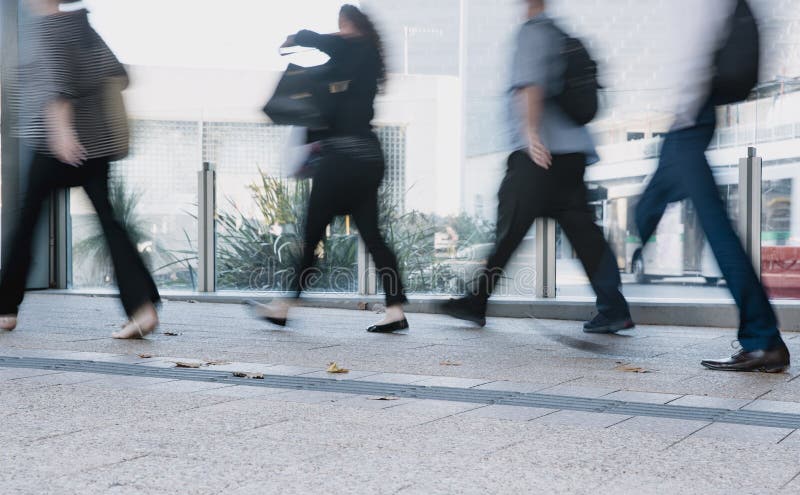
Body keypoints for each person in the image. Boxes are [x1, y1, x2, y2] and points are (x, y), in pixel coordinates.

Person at [441, 0, 633, 334]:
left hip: (539, 154)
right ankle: (614, 307)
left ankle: (476, 301)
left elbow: (530, 85)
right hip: (572, 154)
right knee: (584, 234)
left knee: (508, 229)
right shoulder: (559, 33)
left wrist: (530, 135)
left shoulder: (532, 33)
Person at [636, 0, 790, 372]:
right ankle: (608, 294)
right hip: (690, 117)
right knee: (647, 210)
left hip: (690, 117)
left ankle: (764, 339)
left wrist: (683, 110)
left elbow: (695, 47)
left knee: (715, 228)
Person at [0, 0, 160, 339]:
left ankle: (5, 309)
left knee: (26, 222)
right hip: (96, 143)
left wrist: (62, 129)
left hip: (55, 144)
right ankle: (141, 307)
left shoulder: (47, 27)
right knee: (110, 222)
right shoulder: (83, 26)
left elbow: (57, 81)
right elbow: (119, 74)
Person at [250, 4, 409, 333]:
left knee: (311, 237)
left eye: (342, 25)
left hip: (342, 161)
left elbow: (327, 42)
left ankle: (283, 306)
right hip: (367, 159)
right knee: (373, 237)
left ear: (349, 24)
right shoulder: (363, 61)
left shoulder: (355, 49)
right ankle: (395, 310)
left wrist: (297, 37)